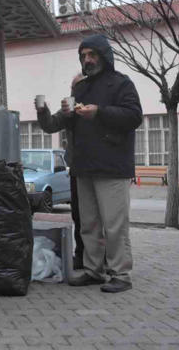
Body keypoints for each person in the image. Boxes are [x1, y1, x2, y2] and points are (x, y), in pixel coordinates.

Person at [62, 35, 142, 293]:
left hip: (112, 167)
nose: (87, 60)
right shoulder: (81, 88)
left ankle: (121, 275)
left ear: (104, 56)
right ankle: (93, 271)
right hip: (84, 166)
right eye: (83, 55)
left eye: (92, 54)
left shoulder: (122, 84)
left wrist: (99, 112)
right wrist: (66, 113)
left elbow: (134, 116)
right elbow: (71, 124)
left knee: (115, 225)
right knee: (89, 224)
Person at [34, 73, 85, 269]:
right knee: (79, 216)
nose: (74, 91)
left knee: (100, 218)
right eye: (73, 87)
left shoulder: (99, 106)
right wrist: (43, 111)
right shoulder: (69, 109)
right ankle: (81, 256)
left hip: (100, 169)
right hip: (78, 169)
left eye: (78, 86)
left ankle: (104, 258)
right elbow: (50, 124)